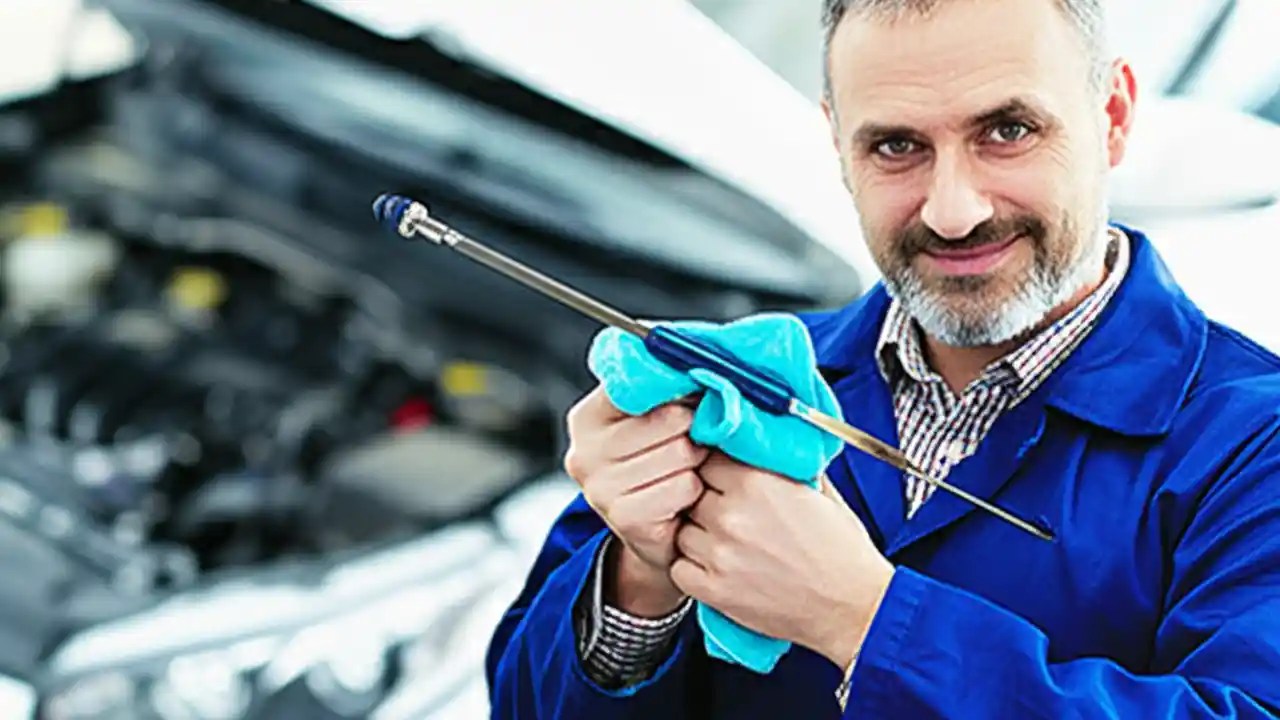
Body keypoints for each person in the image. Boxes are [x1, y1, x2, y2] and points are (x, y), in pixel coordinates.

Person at [485, 0, 1280, 717]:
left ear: (1111, 116)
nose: (954, 210)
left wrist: (862, 620)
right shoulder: (738, 391)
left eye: (1007, 132)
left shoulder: (1253, 442)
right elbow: (520, 705)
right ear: (837, 143)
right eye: (897, 146)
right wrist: (641, 582)